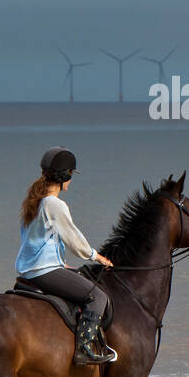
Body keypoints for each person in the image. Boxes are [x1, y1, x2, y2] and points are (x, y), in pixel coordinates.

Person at [15, 146, 117, 365]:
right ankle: (84, 349)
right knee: (98, 297)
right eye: (71, 175)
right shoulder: (55, 205)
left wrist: (61, 264)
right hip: (43, 271)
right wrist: (97, 257)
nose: (71, 180)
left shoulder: (35, 201)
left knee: (80, 277)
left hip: (32, 269)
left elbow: (38, 241)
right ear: (66, 176)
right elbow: (73, 238)